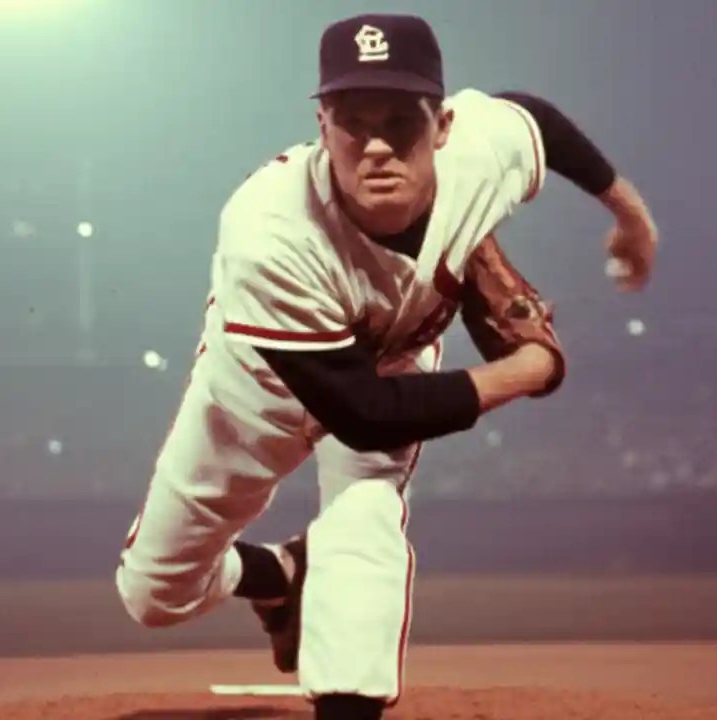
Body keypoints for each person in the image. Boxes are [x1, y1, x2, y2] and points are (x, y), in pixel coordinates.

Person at [115, 12, 658, 720]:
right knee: (155, 596)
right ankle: (278, 573)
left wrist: (633, 217)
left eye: (399, 120)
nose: (375, 145)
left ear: (443, 126)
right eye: (352, 121)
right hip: (260, 388)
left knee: (362, 526)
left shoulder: (480, 156)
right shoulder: (269, 230)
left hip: (396, 363)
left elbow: (537, 121)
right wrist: (529, 370)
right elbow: (363, 415)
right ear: (322, 125)